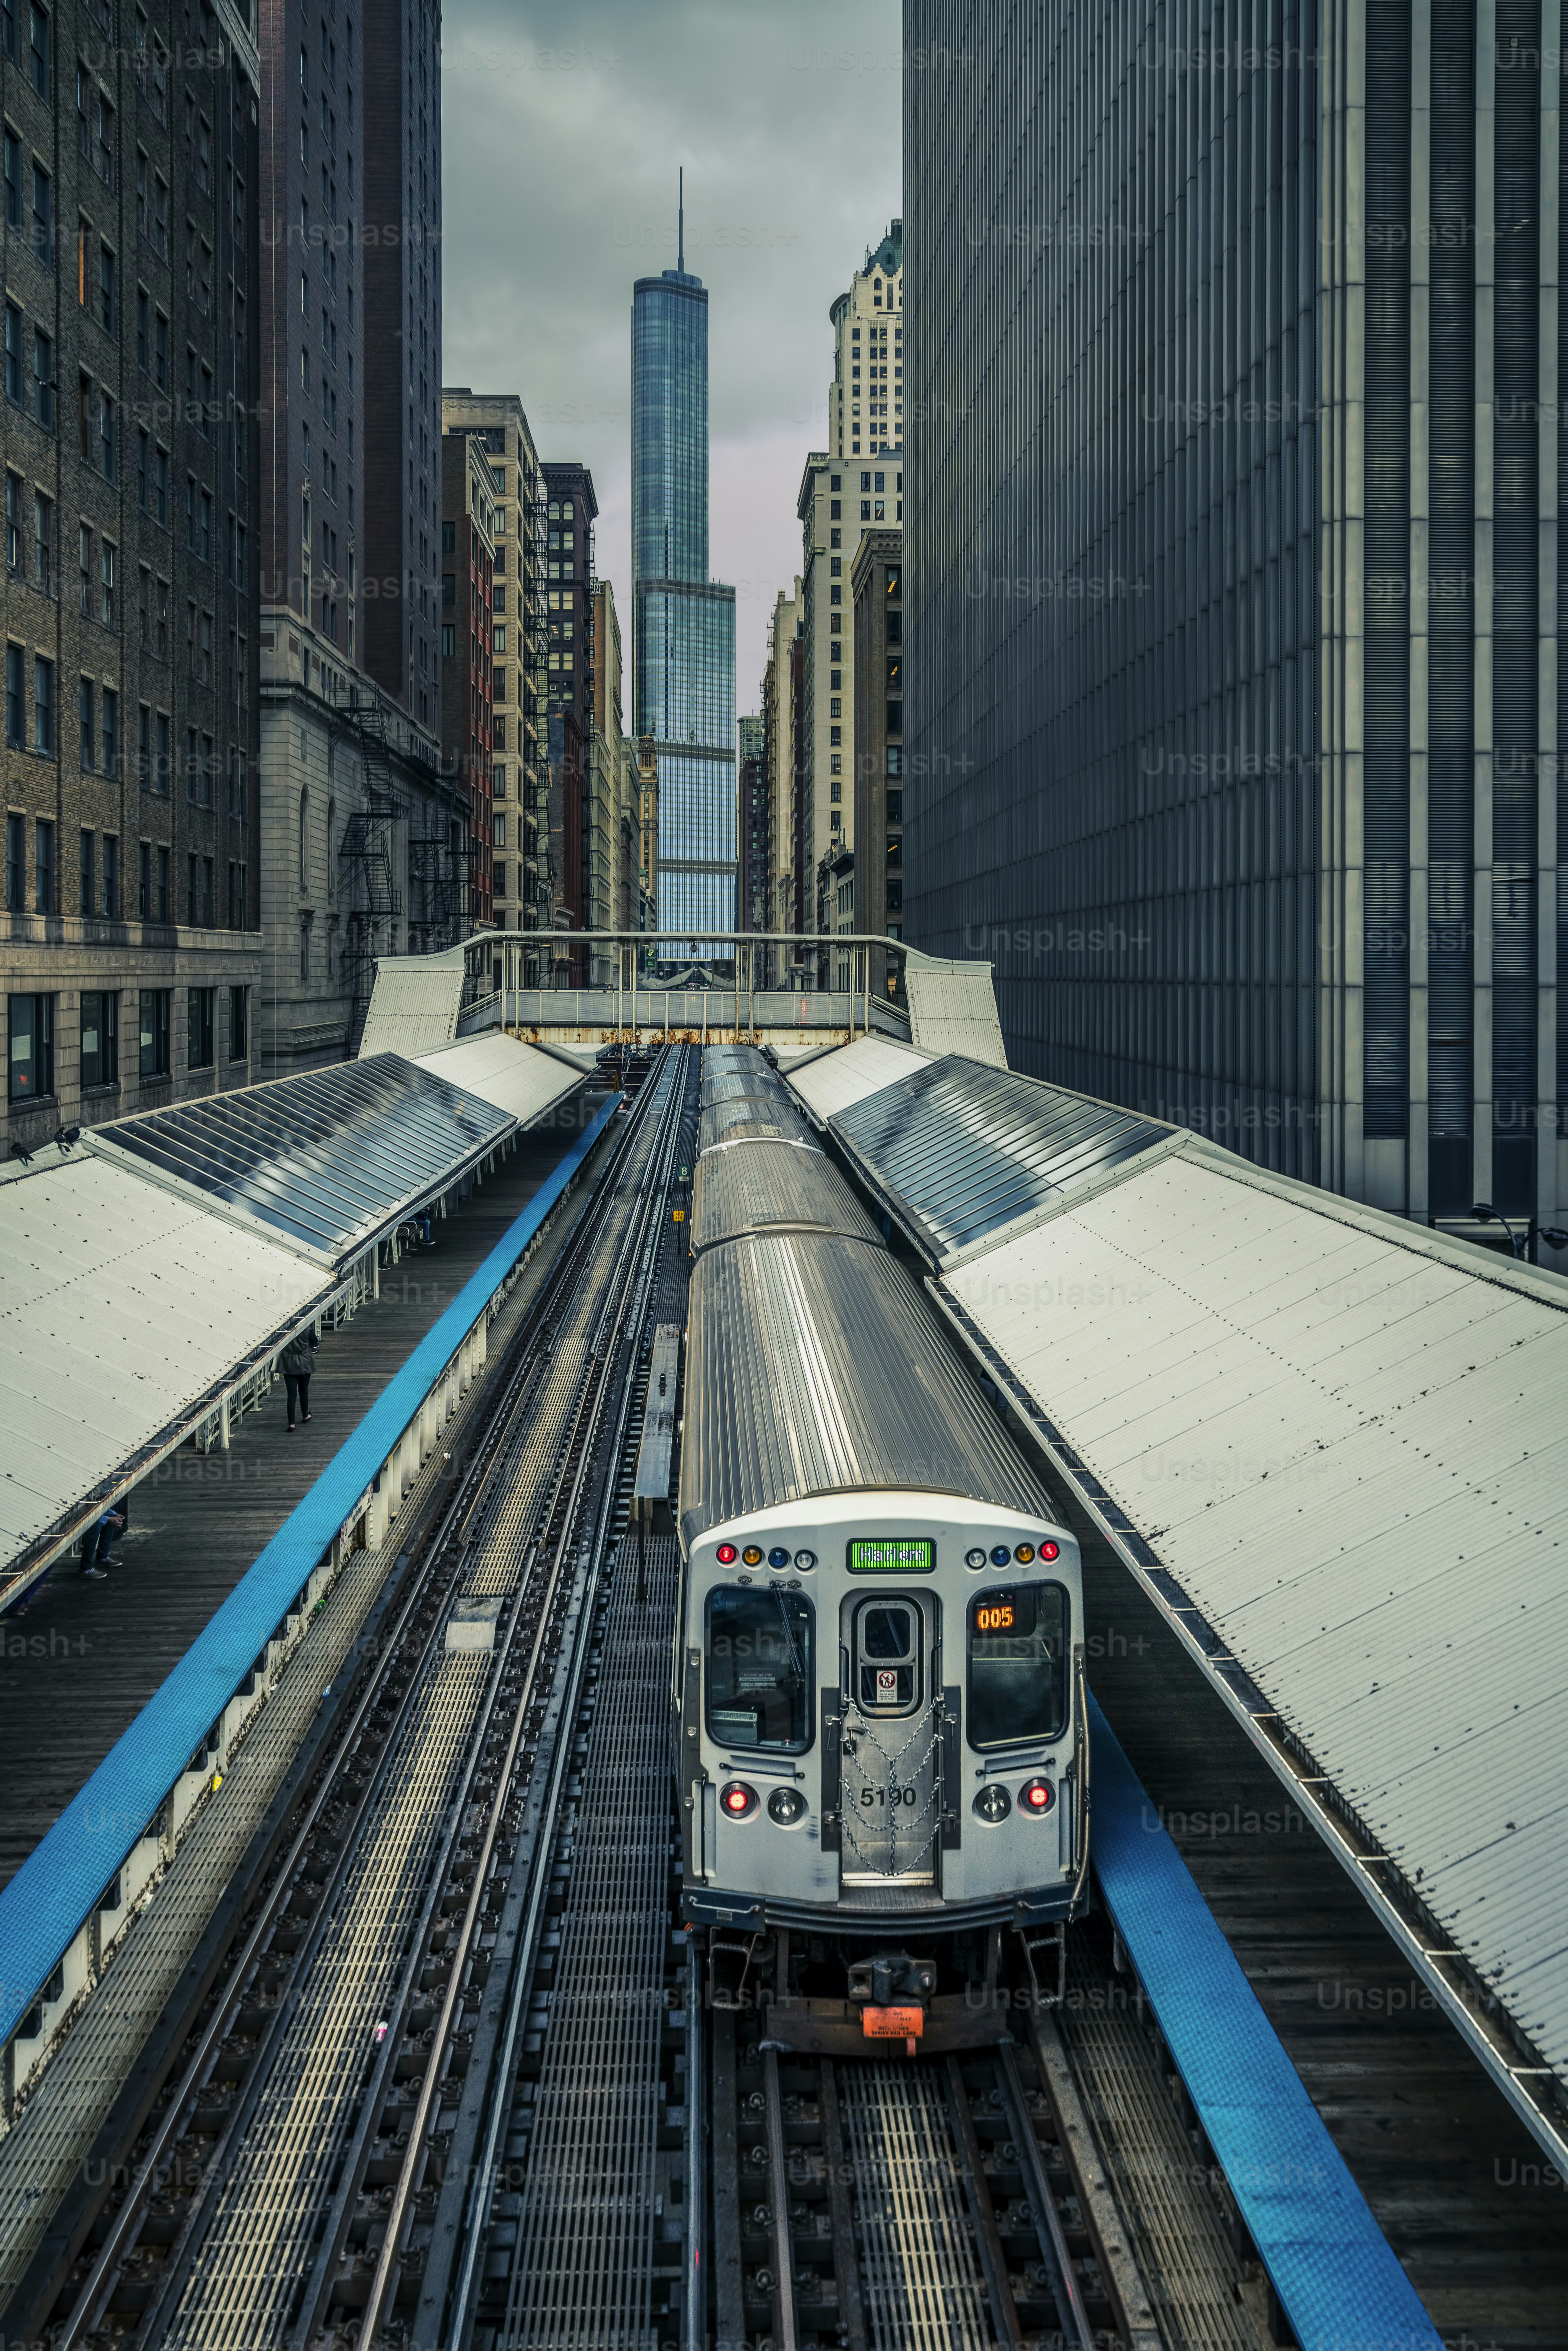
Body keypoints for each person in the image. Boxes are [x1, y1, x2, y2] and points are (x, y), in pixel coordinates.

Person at [280, 1326, 318, 1429]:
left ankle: (291, 1424)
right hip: (305, 1362)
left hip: (289, 1363)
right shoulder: (307, 1329)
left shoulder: (285, 1330)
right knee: (304, 1392)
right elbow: (315, 1343)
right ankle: (305, 1416)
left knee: (292, 1395)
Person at [80, 1502, 128, 1579]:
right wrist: (108, 1519)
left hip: (87, 1515)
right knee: (95, 1526)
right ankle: (86, 1569)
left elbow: (98, 1506)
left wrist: (114, 1515)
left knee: (111, 1518)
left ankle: (102, 1557)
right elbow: (84, 1514)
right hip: (76, 1520)